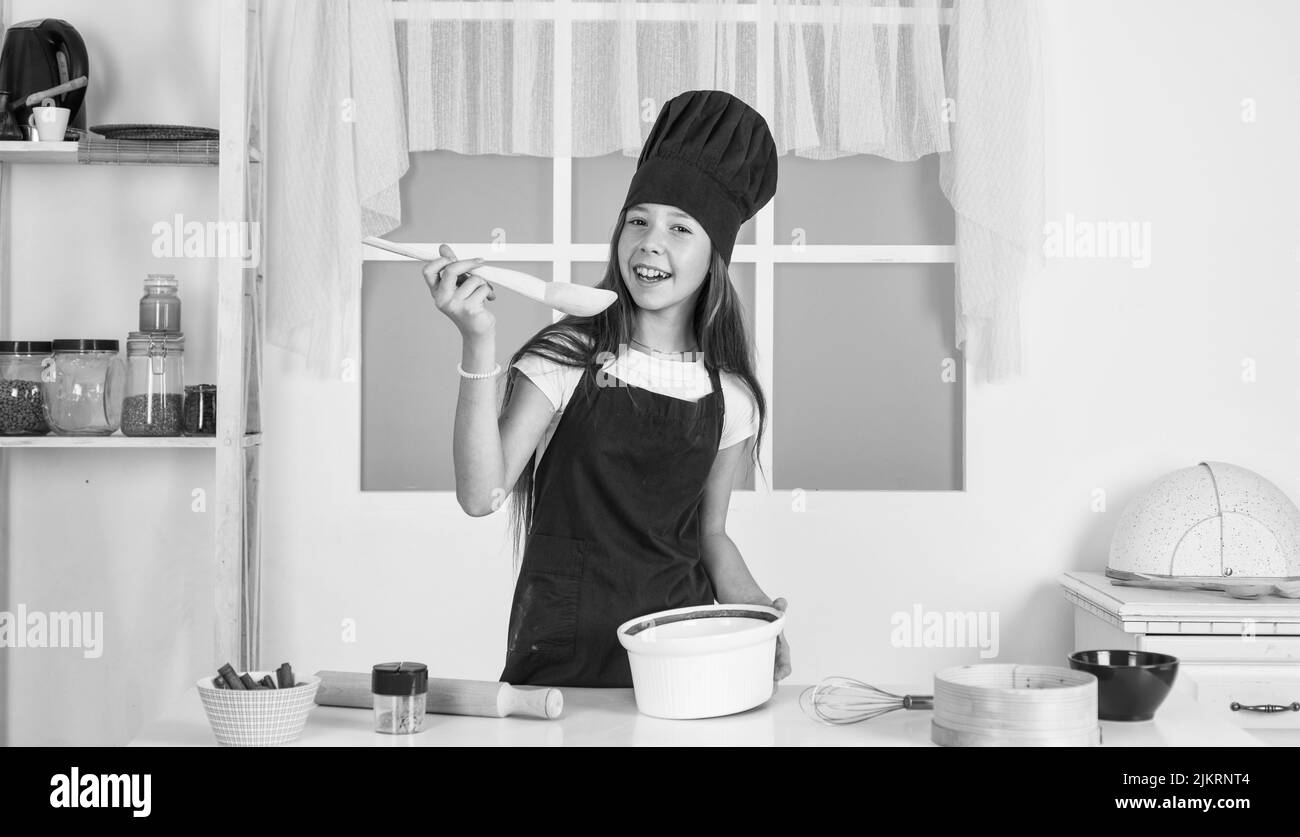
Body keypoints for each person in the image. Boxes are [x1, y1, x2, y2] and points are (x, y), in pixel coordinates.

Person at [425, 90, 790, 688]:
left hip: (680, 656)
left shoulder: (732, 398)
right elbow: (479, 496)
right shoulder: (563, 360)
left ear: (714, 257)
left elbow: (710, 533)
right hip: (561, 657)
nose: (651, 241)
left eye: (681, 228)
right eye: (638, 220)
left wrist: (756, 616)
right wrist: (478, 340)